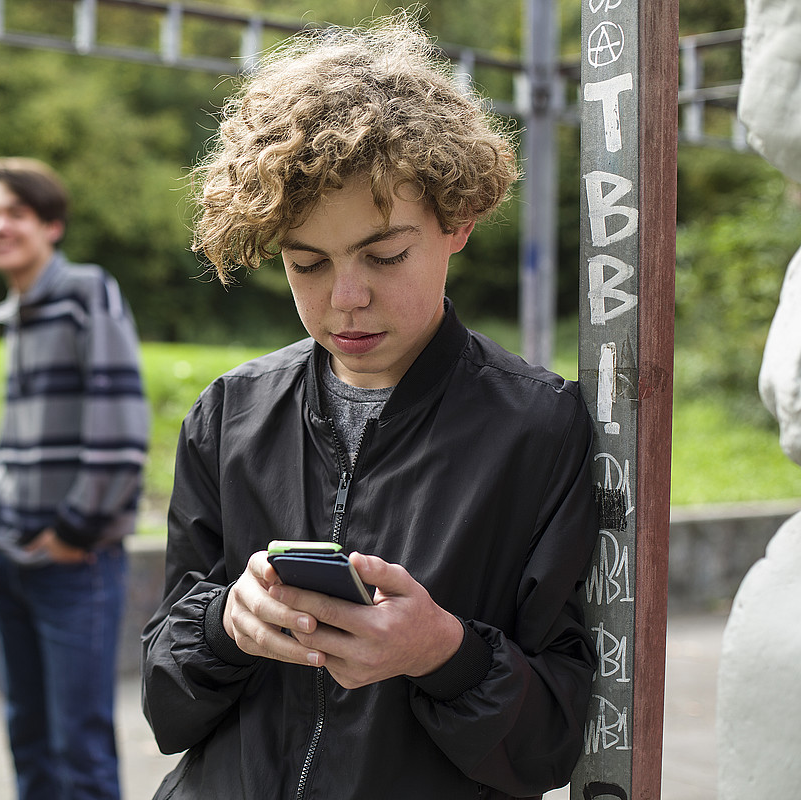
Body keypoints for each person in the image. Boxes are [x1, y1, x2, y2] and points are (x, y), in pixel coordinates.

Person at [140, 13, 599, 800]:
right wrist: (227, 626)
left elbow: (553, 741)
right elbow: (164, 705)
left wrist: (444, 652)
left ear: (457, 223)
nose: (345, 300)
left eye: (384, 255)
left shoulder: (540, 428)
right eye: (306, 264)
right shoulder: (229, 414)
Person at [0, 157, 149, 800]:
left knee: (80, 746)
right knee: (29, 736)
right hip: (9, 550)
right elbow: (18, 428)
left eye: (15, 212)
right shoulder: (17, 310)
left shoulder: (84, 292)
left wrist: (76, 529)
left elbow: (121, 428)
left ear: (52, 225)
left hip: (74, 559)